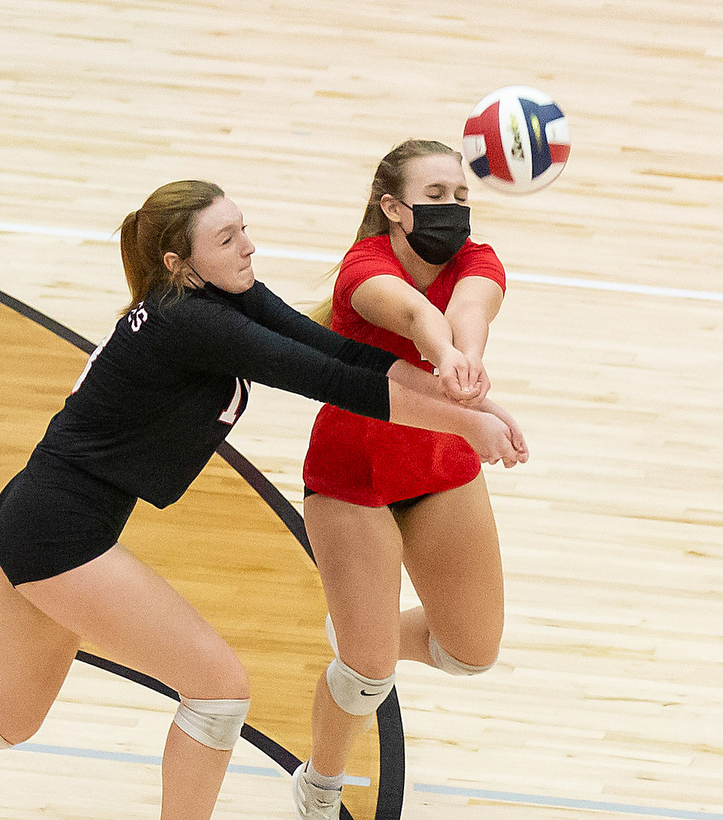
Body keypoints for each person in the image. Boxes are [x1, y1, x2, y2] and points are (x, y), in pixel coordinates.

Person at [0, 180, 522, 819]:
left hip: (43, 518)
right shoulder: (192, 323)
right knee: (217, 690)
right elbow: (338, 386)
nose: (248, 246)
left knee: (1, 720)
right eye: (227, 238)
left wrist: (478, 406)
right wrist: (470, 424)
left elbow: (345, 354)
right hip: (59, 532)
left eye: (244, 229)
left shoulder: (220, 296)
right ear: (179, 264)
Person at [293, 140, 529, 819]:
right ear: (392, 208)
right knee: (367, 675)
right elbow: (417, 316)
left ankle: (360, 630)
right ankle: (320, 785)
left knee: (470, 653)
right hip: (352, 478)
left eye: (460, 196)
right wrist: (447, 357)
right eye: (436, 196)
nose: (453, 209)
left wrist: (468, 359)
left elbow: (467, 313)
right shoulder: (362, 268)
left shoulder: (477, 258)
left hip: (439, 467)